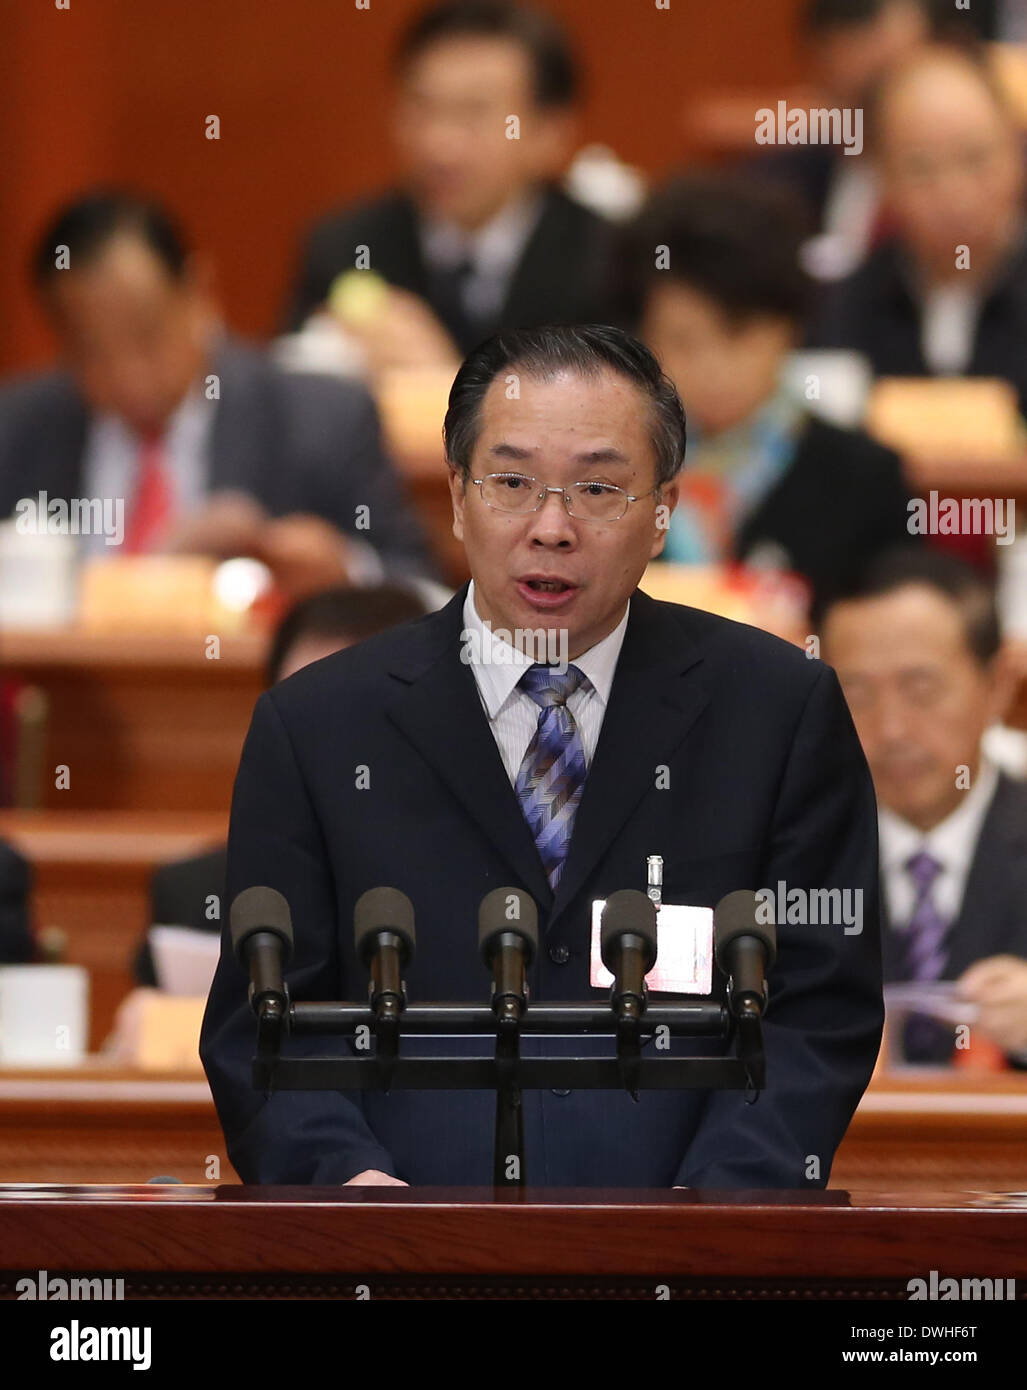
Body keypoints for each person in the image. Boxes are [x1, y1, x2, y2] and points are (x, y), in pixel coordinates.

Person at [200, 323, 883, 1189]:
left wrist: (721, 1208)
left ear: (663, 510)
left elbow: (818, 1006)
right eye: (512, 483)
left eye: (598, 488)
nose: (551, 527)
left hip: (687, 1256)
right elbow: (263, 1017)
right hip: (401, 1262)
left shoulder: (777, 712)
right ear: (455, 496)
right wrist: (352, 1195)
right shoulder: (318, 725)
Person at [0, 190, 436, 596]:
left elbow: (427, 594)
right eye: (91, 350)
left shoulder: (321, 419)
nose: (128, 376)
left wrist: (347, 572)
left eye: (147, 337)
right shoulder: (17, 430)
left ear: (198, 291)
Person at [618, 175, 916, 605]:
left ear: (789, 329)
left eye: (738, 336)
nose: (712, 368)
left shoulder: (865, 476)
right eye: (682, 340)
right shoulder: (612, 470)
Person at [131, 583, 434, 988]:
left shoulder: (481, 891)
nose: (327, 743)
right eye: (303, 712)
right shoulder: (198, 891)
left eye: (352, 713)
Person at [281, 0, 613, 370]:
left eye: (474, 112)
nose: (439, 145)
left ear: (551, 133)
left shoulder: (608, 262)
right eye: (422, 107)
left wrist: (441, 382)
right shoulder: (345, 246)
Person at [819, 547, 1027, 1064]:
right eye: (858, 692)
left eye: (921, 688)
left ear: (998, 685)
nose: (891, 730)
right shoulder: (787, 855)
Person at [808, 43, 1027, 412]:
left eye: (976, 158)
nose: (955, 194)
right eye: (921, 168)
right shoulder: (842, 310)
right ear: (882, 177)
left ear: (1017, 152)